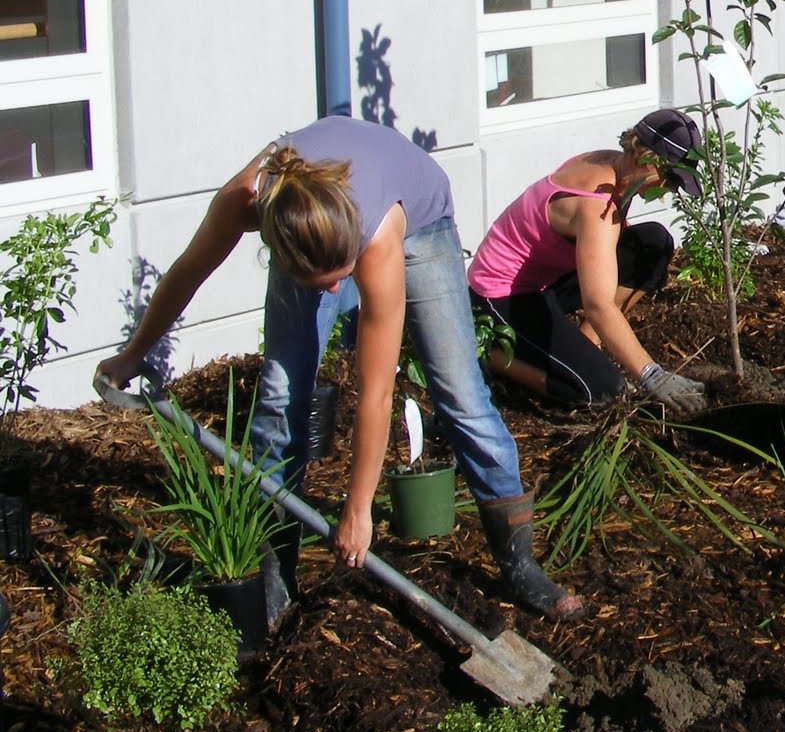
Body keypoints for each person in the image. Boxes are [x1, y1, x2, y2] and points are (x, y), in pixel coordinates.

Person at [95, 116, 584, 621]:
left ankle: (519, 564)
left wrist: (359, 510)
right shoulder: (246, 201)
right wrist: (134, 353)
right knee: (281, 397)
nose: (336, 294)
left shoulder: (376, 239)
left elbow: (375, 392)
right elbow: (188, 271)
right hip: (321, 217)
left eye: (341, 278)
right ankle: (272, 577)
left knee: (461, 393)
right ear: (278, 255)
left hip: (417, 214)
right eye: (323, 283)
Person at [468, 108, 708, 417]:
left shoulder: (612, 164)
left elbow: (608, 253)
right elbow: (598, 305)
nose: (671, 189)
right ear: (646, 158)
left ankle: (584, 347)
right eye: (671, 177)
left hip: (546, 280)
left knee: (652, 244)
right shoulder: (597, 205)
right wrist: (652, 375)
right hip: (502, 295)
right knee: (600, 391)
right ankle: (492, 356)